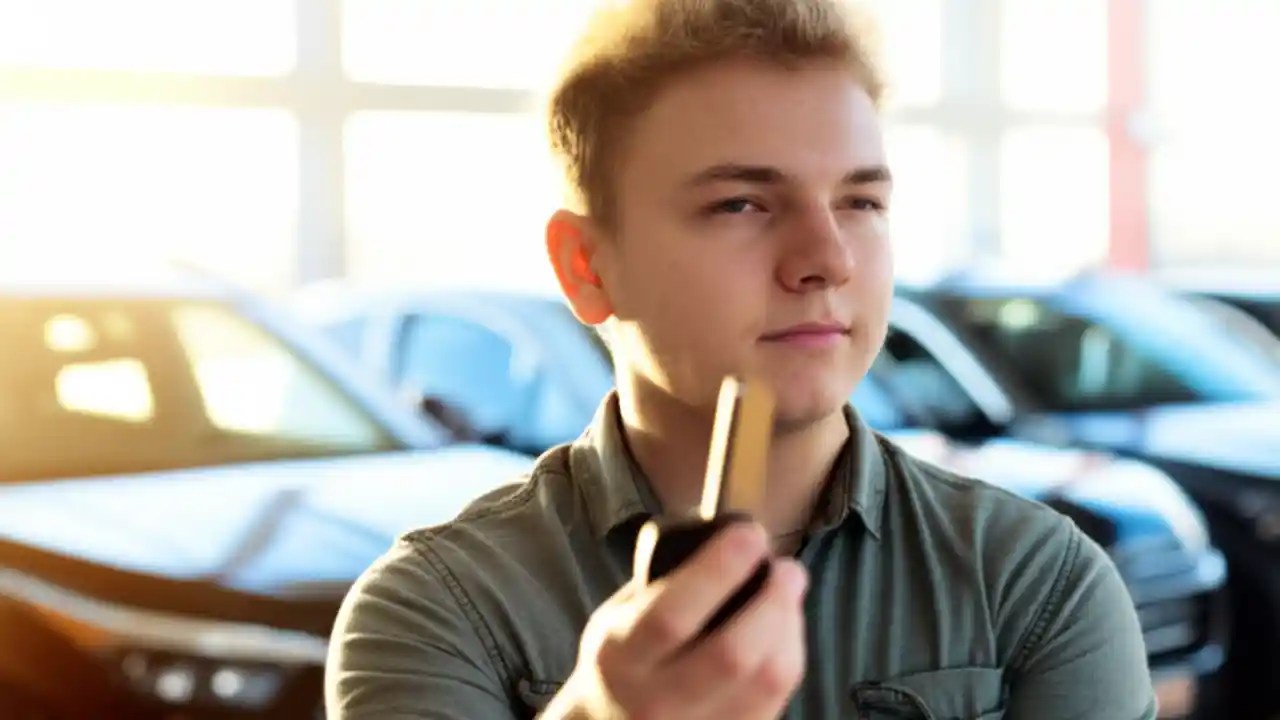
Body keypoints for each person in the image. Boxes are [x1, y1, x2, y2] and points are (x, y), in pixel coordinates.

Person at [325, 0, 1156, 717]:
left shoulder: (1036, 585)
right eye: (742, 202)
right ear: (586, 266)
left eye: (861, 200)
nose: (826, 258)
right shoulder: (439, 608)